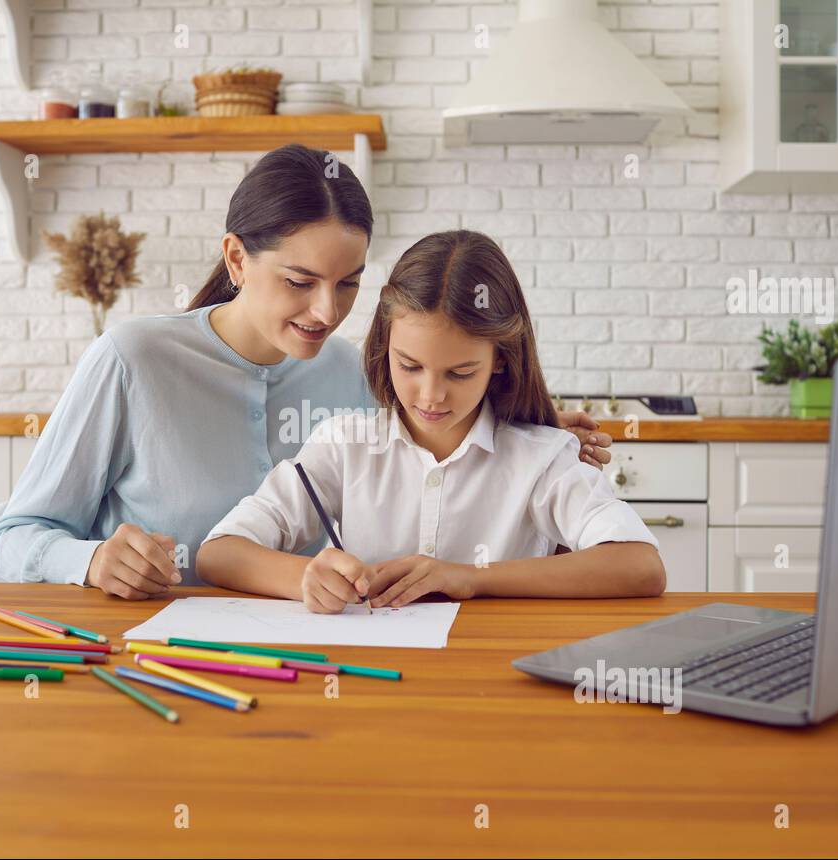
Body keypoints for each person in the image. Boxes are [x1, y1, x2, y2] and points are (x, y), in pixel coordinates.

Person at [0, 146, 613, 599]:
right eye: (300, 282)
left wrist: (535, 427)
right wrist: (91, 560)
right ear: (236, 258)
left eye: (348, 284)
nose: (327, 311)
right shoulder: (132, 360)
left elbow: (433, 417)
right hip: (156, 656)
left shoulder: (357, 371)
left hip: (314, 660)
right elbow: (14, 534)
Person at [197, 231, 665, 613]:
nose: (430, 395)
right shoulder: (344, 445)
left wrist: (469, 578)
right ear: (386, 347)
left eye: (460, 373)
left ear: (500, 360)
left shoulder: (542, 457)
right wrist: (303, 577)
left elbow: (641, 565)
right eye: (409, 365)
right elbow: (219, 553)